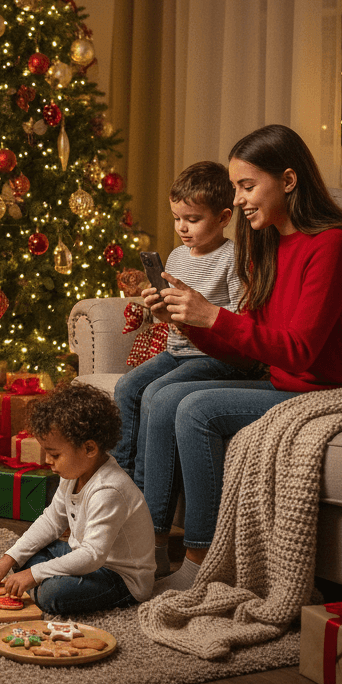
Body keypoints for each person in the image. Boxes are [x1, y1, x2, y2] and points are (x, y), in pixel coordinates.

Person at [141, 124, 342, 594]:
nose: (240, 200)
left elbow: (299, 349)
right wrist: (188, 319)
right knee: (166, 395)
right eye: (236, 187)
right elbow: (247, 344)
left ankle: (201, 559)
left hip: (329, 388)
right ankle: (149, 542)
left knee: (196, 409)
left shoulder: (331, 245)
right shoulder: (269, 242)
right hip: (285, 381)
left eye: (247, 186)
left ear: (288, 180)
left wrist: (213, 315)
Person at [113, 162, 254, 531]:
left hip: (212, 356)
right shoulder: (175, 257)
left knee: (156, 393)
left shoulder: (232, 258)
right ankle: (115, 491)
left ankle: (146, 518)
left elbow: (240, 319)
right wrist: (160, 308)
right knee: (127, 387)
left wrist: (198, 312)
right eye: (177, 218)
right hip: (176, 349)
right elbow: (172, 319)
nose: (182, 228)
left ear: (224, 217)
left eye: (192, 219)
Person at [0, 382, 155, 616]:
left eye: (55, 454)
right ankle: (36, 579)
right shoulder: (73, 473)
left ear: (89, 448)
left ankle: (41, 587)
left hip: (120, 577)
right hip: (83, 557)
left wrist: (34, 574)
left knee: (53, 595)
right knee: (26, 552)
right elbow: (51, 521)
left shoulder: (109, 489)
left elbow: (92, 556)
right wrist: (8, 559)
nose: (48, 461)